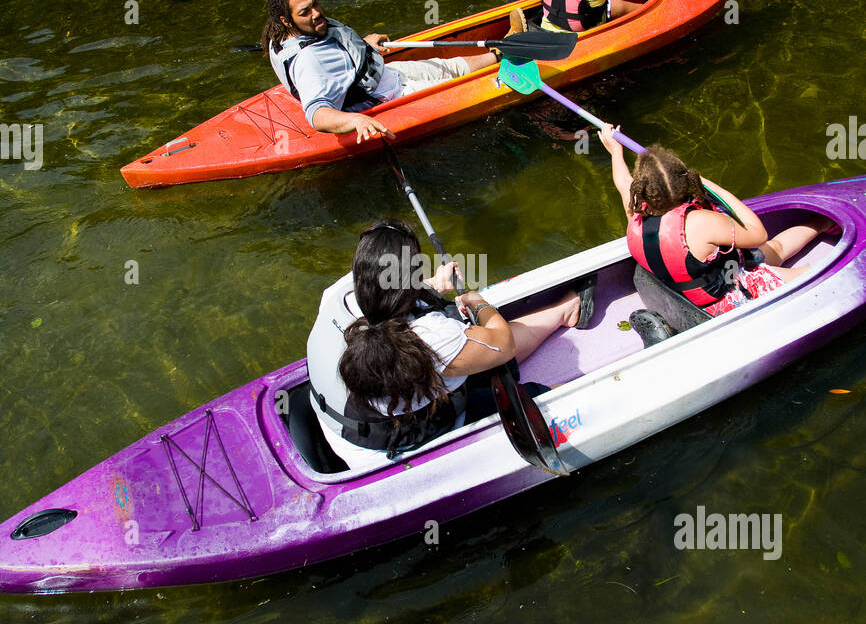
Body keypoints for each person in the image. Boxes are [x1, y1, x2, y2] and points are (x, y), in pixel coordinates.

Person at [306, 219, 594, 468]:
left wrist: (432, 285)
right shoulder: (430, 338)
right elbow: (503, 343)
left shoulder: (342, 292)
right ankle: (571, 372)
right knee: (513, 369)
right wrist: (476, 300)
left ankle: (561, 312)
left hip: (338, 424)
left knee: (470, 346)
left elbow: (388, 293)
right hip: (388, 446)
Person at [599, 125, 830, 317]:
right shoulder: (699, 223)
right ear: (685, 183)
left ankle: (820, 224)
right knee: (814, 273)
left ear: (643, 188)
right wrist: (713, 187)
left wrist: (615, 152)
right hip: (725, 299)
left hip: (694, 286)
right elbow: (758, 234)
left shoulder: (635, 209)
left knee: (773, 250)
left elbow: (622, 180)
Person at [262, 0, 501, 144]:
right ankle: (513, 64)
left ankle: (499, 53)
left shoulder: (286, 34)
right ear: (285, 19)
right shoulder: (308, 61)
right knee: (458, 85)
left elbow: (334, 53)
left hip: (385, 75)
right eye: (305, 12)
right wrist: (356, 120)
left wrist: (362, 45)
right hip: (389, 98)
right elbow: (317, 114)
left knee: (451, 66)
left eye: (314, 3)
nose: (315, 13)